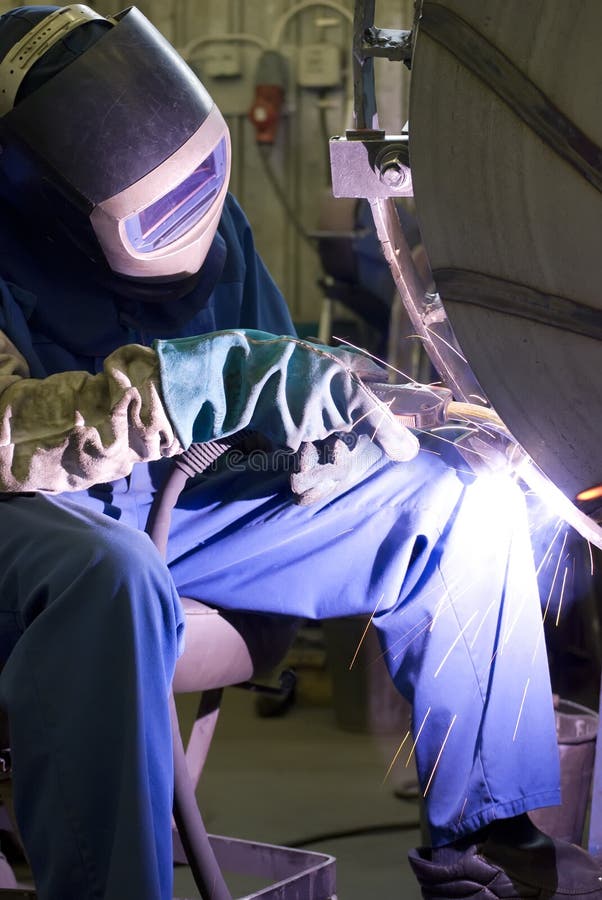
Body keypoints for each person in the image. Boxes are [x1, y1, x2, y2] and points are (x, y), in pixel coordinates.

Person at [0, 5, 598, 900]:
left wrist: (350, 430)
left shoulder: (202, 201)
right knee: (112, 576)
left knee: (457, 498)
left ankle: (486, 846)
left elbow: (283, 387)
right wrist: (197, 386)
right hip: (44, 518)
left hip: (189, 503)